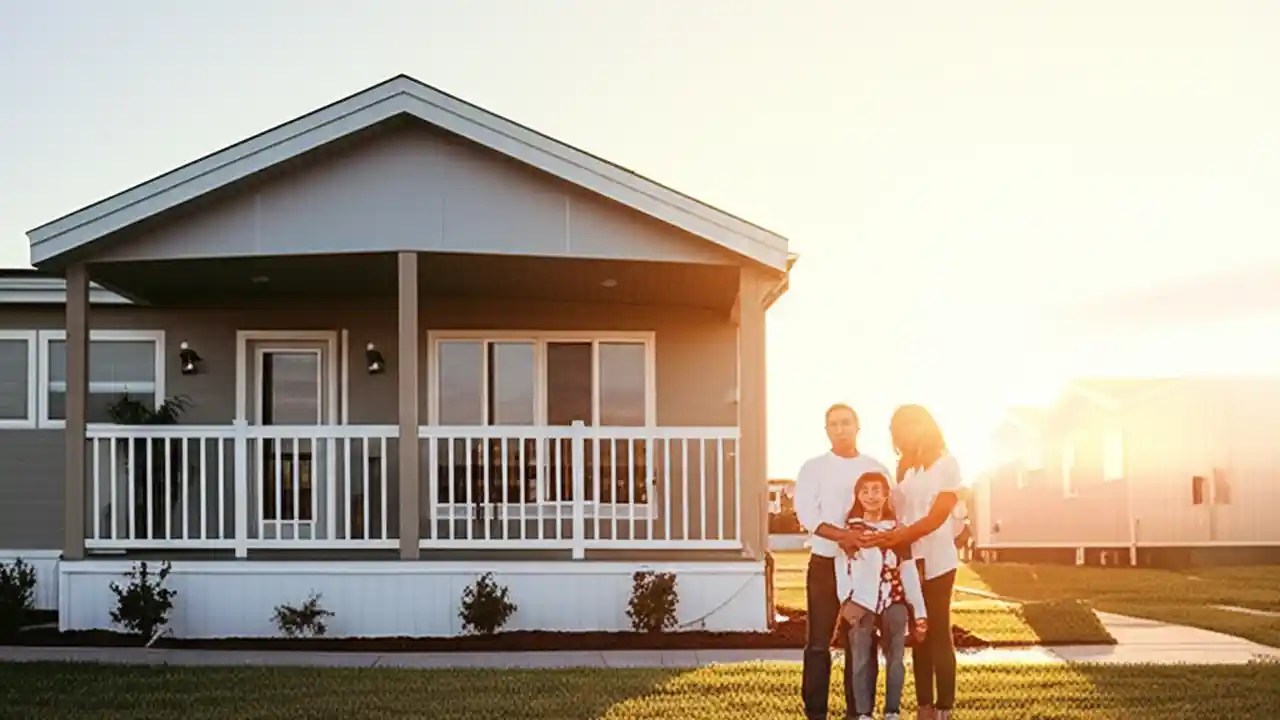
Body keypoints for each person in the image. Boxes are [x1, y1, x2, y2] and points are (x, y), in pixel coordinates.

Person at [794, 403, 893, 720]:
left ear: (858, 426)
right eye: (834, 424)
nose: (840, 429)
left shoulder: (875, 466)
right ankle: (815, 712)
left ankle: (859, 711)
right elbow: (808, 515)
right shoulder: (813, 468)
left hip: (865, 570)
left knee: (861, 642)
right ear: (826, 430)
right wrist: (842, 537)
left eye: (846, 423)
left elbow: (891, 514)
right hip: (825, 564)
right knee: (819, 643)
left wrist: (867, 542)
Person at [873, 405, 966, 720]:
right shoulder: (904, 468)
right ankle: (924, 706)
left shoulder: (946, 465)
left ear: (926, 425)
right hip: (910, 563)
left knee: (939, 631)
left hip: (938, 561)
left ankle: (945, 709)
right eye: (899, 429)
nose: (905, 433)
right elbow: (895, 509)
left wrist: (902, 536)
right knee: (919, 633)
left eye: (911, 425)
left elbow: (937, 517)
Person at [834, 471, 928, 720]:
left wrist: (919, 611)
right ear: (858, 496)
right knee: (861, 659)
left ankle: (892, 711)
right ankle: (864, 713)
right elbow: (842, 566)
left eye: (876, 490)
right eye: (864, 491)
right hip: (862, 602)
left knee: (895, 657)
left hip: (893, 600)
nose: (871, 496)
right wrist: (846, 600)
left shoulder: (897, 532)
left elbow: (908, 571)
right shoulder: (851, 531)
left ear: (887, 495)